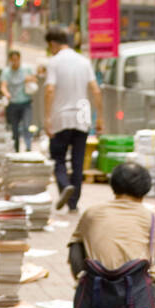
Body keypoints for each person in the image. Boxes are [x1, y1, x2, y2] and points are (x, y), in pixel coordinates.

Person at [67, 161, 155, 308]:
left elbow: (76, 245)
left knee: (76, 243)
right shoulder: (149, 218)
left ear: (113, 185)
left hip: (96, 292)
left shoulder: (92, 213)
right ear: (145, 189)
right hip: (134, 299)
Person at [44, 25, 103, 213]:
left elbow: (50, 89)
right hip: (82, 118)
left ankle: (64, 185)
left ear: (53, 44)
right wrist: (100, 117)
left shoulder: (54, 62)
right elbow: (95, 89)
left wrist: (46, 117)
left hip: (61, 117)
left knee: (58, 157)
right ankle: (73, 202)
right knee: (78, 161)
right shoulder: (84, 62)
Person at [0, 50, 33, 152]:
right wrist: (6, 94)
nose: (15, 62)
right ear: (10, 60)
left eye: (17, 60)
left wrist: (30, 79)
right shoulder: (6, 72)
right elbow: (3, 86)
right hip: (13, 104)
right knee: (14, 128)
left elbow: (34, 80)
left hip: (25, 103)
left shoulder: (26, 69)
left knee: (27, 126)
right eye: (13, 60)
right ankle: (16, 149)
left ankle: (28, 147)